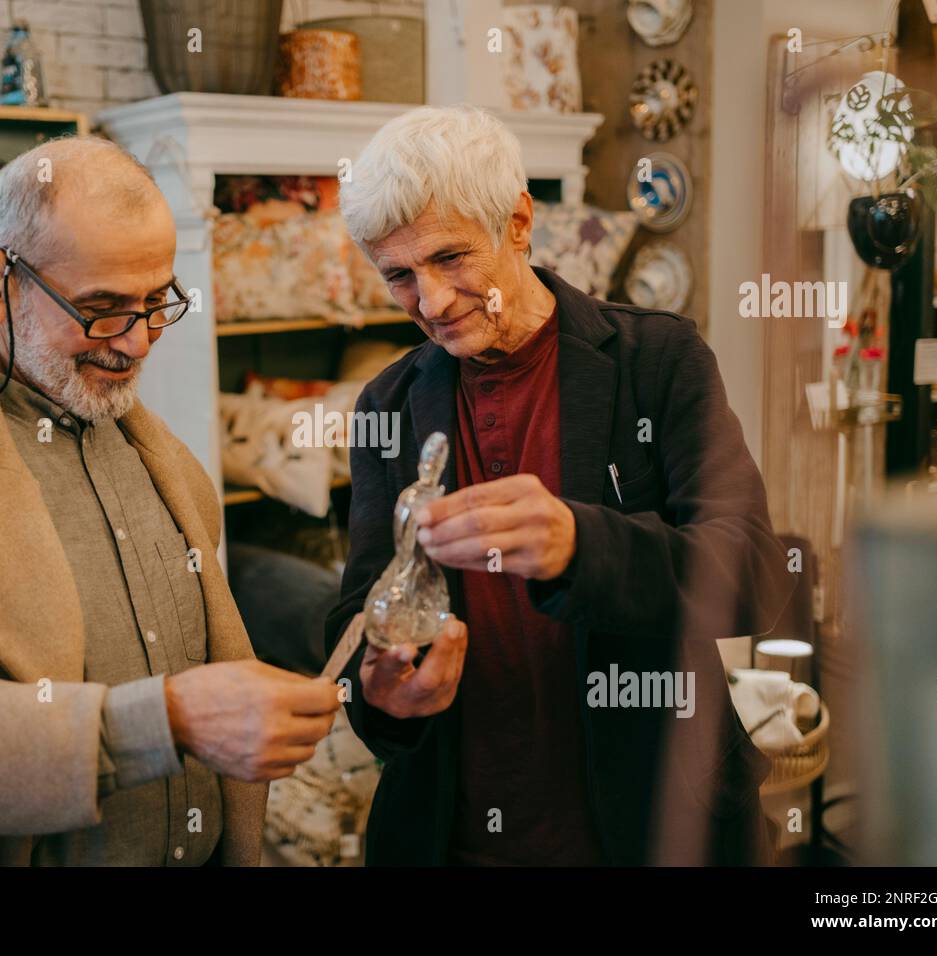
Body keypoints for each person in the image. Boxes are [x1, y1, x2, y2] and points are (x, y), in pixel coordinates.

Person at [0, 136, 339, 866]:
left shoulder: (165, 461)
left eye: (155, 303)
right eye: (101, 308)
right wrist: (159, 722)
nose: (137, 344)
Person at [325, 106, 795, 866]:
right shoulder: (386, 405)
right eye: (399, 276)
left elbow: (751, 571)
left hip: (652, 827)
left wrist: (583, 546)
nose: (432, 302)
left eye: (450, 257)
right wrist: (380, 687)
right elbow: (359, 609)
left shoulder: (657, 361)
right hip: (459, 836)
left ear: (517, 223)